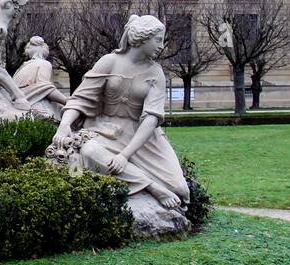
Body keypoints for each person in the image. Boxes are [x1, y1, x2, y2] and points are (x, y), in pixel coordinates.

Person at [53, 15, 189, 210]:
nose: (162, 46)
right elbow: (80, 98)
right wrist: (64, 125)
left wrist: (125, 155)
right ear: (143, 37)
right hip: (103, 130)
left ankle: (145, 179)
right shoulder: (109, 62)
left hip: (141, 137)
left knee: (180, 189)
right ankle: (152, 187)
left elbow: (151, 119)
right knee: (90, 150)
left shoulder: (156, 72)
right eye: (158, 40)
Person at [13, 36, 68, 120]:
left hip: (15, 100)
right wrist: (66, 101)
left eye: (28, 48)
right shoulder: (44, 64)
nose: (26, 50)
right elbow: (45, 87)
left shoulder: (22, 66)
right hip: (32, 101)